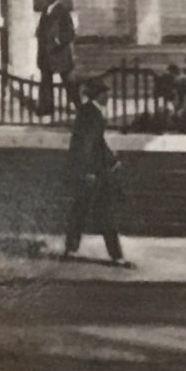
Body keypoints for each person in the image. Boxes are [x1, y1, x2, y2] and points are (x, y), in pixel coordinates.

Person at [58, 78, 132, 268]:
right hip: (93, 173)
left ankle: (71, 250)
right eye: (105, 93)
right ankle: (116, 256)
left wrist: (111, 159)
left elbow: (96, 143)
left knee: (81, 211)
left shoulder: (89, 112)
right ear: (99, 95)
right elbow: (85, 145)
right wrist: (88, 171)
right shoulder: (92, 115)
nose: (108, 96)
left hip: (92, 170)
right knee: (104, 212)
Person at [34, 0, 78, 118]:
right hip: (46, 53)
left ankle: (79, 106)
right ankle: (46, 108)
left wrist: (59, 40)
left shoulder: (62, 11)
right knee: (46, 81)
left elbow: (70, 33)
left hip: (60, 53)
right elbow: (42, 29)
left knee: (68, 82)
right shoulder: (45, 11)